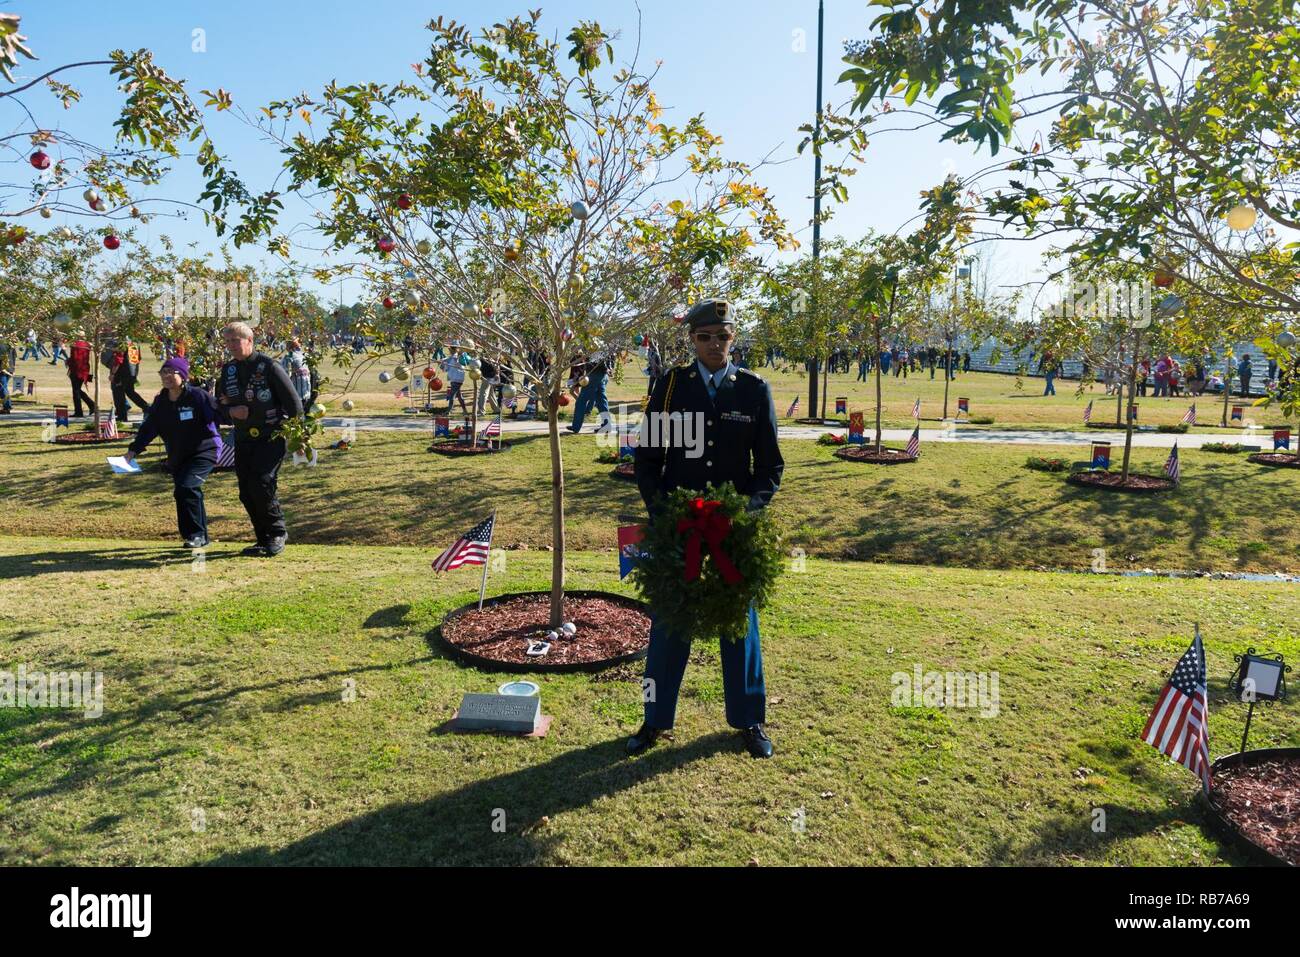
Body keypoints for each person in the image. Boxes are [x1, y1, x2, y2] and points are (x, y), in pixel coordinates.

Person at [629, 298, 784, 760]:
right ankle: (654, 719)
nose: (715, 344)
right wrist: (665, 516)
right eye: (705, 337)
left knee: (740, 628)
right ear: (691, 340)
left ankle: (749, 719)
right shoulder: (672, 387)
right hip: (680, 532)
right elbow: (648, 461)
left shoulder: (754, 390)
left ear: (733, 338)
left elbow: (770, 467)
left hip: (733, 534)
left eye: (723, 336)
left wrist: (743, 515)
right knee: (668, 629)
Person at [215, 322, 304, 557]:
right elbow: (218, 407)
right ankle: (262, 539)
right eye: (228, 341)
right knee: (246, 490)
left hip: (271, 436)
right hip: (243, 438)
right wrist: (232, 413)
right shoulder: (228, 371)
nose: (231, 346)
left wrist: (299, 438)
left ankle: (277, 532)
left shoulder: (269, 367)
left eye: (236, 340)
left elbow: (294, 405)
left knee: (262, 482)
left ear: (249, 341)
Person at [123, 356, 222, 548]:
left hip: (204, 450)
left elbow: (219, 414)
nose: (166, 376)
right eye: (163, 372)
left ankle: (197, 535)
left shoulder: (197, 396)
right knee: (183, 492)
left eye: (171, 372)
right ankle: (195, 536)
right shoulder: (161, 401)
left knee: (187, 487)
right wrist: (133, 451)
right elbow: (149, 428)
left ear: (183, 376)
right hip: (178, 455)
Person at [567, 349, 612, 434]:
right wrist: (609, 368)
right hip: (602, 374)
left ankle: (576, 427)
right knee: (602, 402)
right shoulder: (603, 343)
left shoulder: (593, 343)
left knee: (581, 401)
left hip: (593, 375)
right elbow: (608, 357)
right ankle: (607, 425)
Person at [109, 336, 149, 424]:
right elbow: (138, 359)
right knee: (130, 392)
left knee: (118, 393)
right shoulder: (134, 344)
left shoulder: (122, 344)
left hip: (122, 373)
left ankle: (122, 416)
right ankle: (147, 407)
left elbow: (118, 360)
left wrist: (112, 374)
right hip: (132, 372)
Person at [66, 332, 96, 418]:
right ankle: (91, 405)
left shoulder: (75, 345)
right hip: (84, 369)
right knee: (77, 390)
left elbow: (74, 359)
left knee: (76, 391)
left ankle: (81, 410)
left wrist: (68, 361)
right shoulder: (86, 344)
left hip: (76, 370)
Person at [0, 337, 16, 413]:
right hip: (10, 369)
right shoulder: (10, 344)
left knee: (2, 388)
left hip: (2, 370)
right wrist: (13, 369)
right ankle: (6, 407)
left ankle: (7, 407)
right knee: (4, 388)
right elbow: (14, 357)